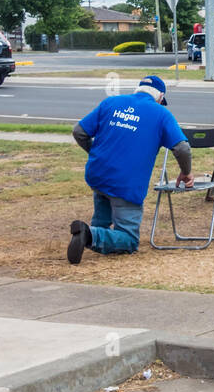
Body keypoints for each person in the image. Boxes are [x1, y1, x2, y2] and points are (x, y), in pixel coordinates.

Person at [67, 75, 192, 263]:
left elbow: (79, 131)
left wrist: (95, 153)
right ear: (160, 97)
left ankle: (93, 231)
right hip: (126, 183)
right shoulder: (161, 113)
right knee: (129, 239)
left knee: (103, 201)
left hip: (97, 173)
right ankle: (90, 235)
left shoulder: (111, 102)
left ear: (138, 89)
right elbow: (182, 148)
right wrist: (186, 172)